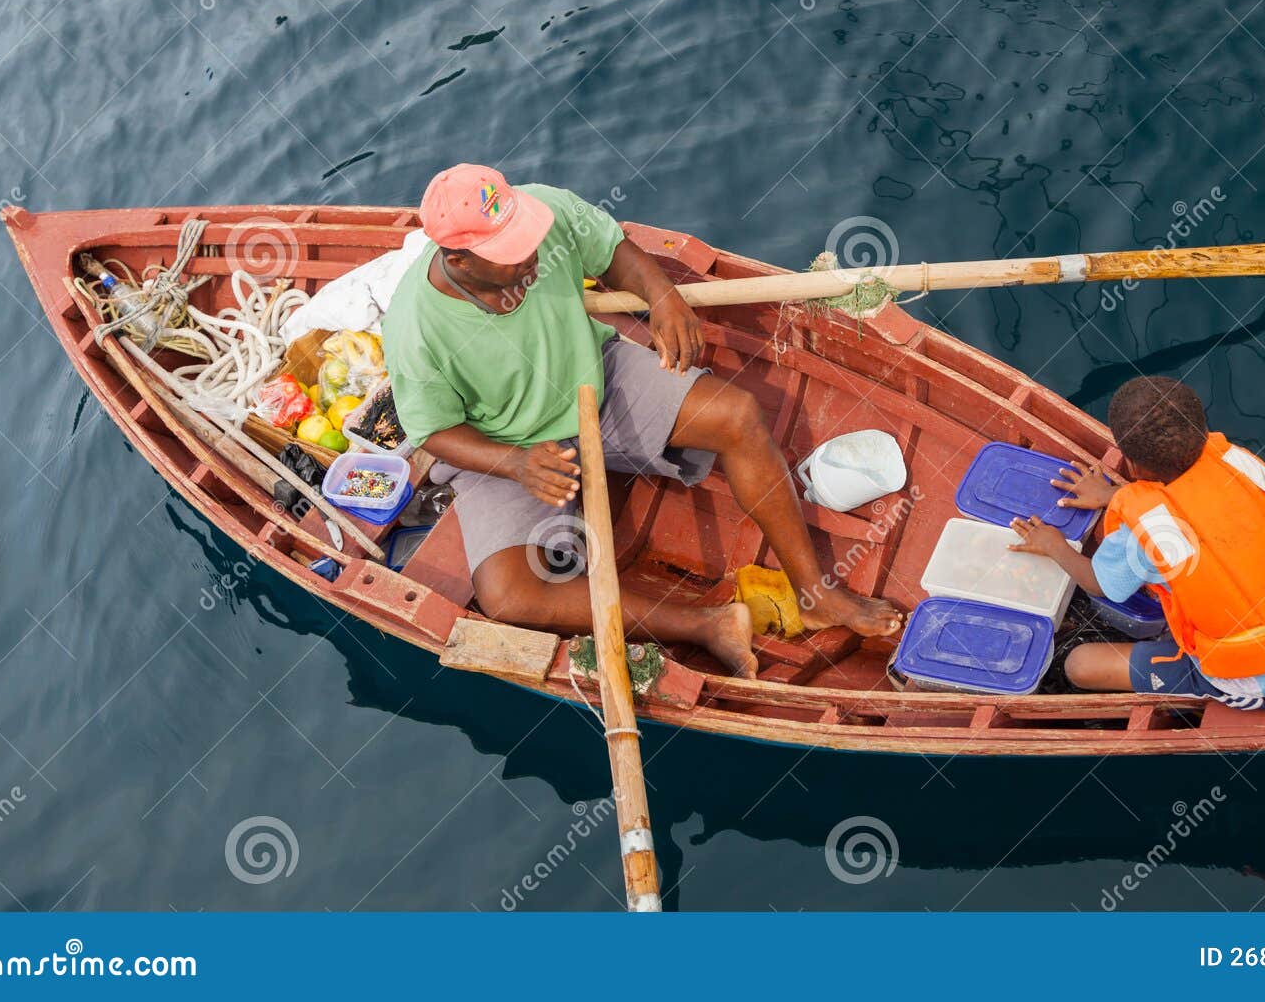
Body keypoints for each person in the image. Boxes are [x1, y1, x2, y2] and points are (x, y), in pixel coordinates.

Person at [382, 164, 902, 678]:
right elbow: (436, 432)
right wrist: (518, 464)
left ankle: (816, 595)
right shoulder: (415, 327)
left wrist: (661, 296)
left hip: (594, 379)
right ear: (458, 259)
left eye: (528, 236)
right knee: (508, 596)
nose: (534, 254)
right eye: (513, 253)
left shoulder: (546, 208)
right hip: (507, 444)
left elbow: (614, 255)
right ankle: (706, 625)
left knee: (738, 416)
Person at [1008, 376, 1265, 710]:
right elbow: (1194, 501)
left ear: (1132, 465)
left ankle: (1193, 691)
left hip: (1259, 683)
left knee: (1078, 666)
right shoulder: (1241, 463)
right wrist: (1111, 495)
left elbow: (1099, 584)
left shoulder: (1143, 536)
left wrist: (1055, 545)